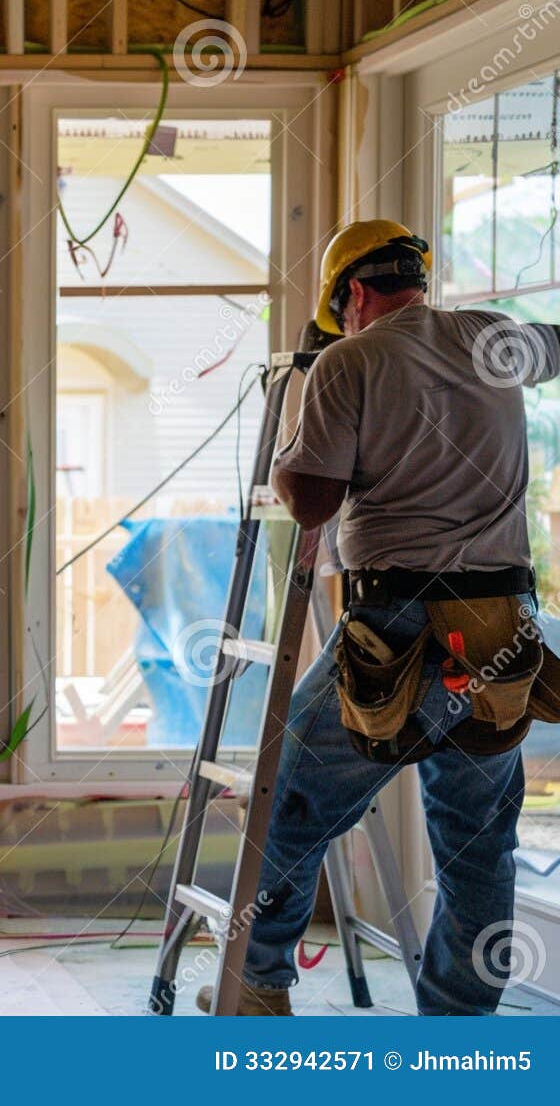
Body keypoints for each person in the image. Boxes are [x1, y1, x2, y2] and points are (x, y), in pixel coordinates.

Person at [199, 219, 560, 1016]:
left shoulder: (349, 361)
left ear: (353, 294)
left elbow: (314, 500)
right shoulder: (497, 337)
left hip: (398, 627)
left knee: (287, 800)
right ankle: (459, 1028)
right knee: (475, 843)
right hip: (500, 631)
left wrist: (305, 429)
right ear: (417, 277)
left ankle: (255, 984)